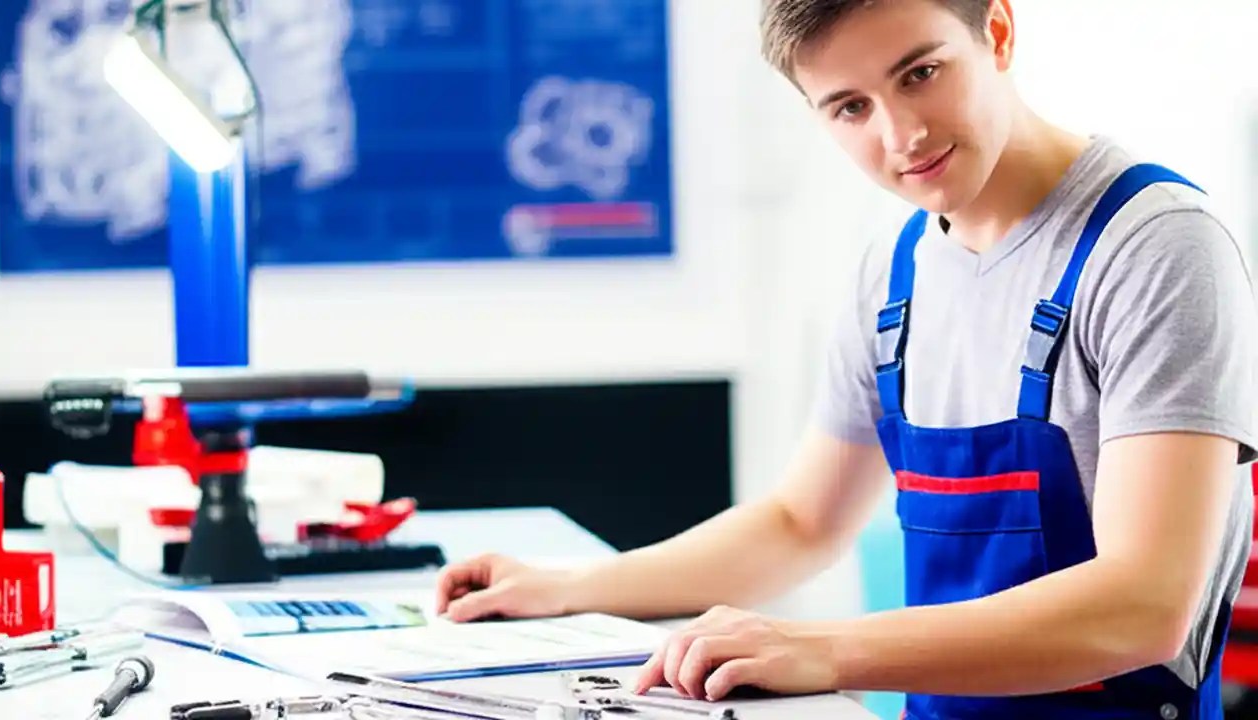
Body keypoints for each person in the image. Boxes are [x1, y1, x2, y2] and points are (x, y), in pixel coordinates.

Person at [434, 1, 1258, 717]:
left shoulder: (1156, 248)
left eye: (921, 73)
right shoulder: (893, 271)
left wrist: (820, 648)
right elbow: (802, 523)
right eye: (849, 108)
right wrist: (568, 587)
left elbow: (1143, 606)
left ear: (997, 31)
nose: (902, 134)